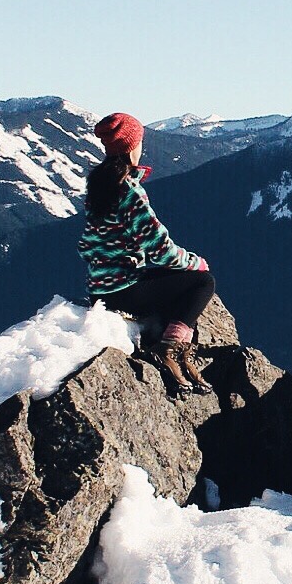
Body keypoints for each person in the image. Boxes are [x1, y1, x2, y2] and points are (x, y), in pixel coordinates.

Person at [78, 112, 216, 392]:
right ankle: (170, 349)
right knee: (203, 282)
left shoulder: (99, 185)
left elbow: (91, 243)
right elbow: (160, 249)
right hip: (123, 291)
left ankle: (169, 342)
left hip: (102, 287)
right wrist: (195, 263)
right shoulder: (128, 191)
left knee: (170, 279)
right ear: (132, 146)